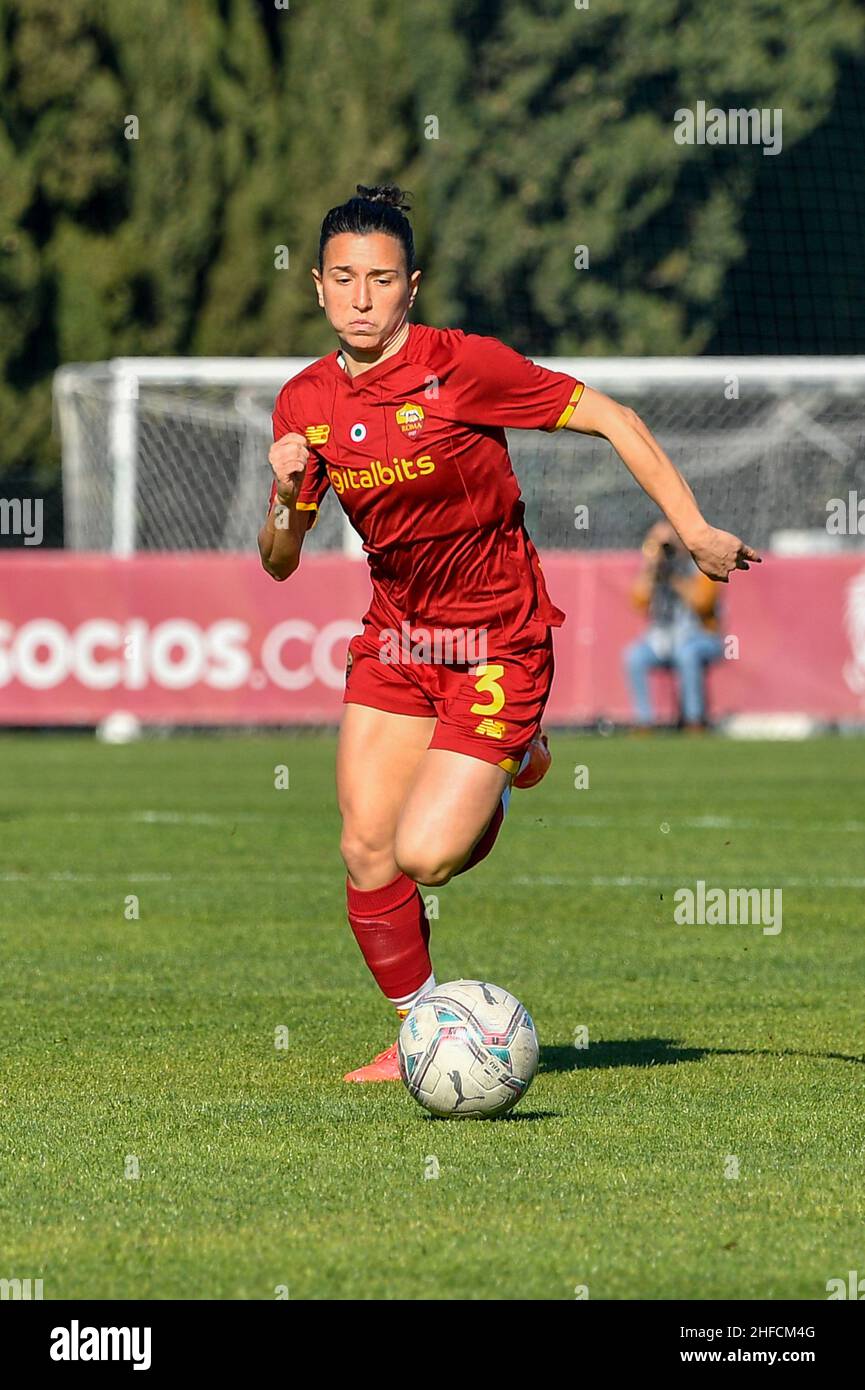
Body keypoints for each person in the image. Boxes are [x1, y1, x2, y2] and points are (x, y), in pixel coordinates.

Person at [257, 184, 760, 1082]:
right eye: (343, 280)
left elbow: (611, 416)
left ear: (412, 286)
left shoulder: (465, 367)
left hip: (496, 638)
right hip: (400, 640)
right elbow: (279, 560)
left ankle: (515, 750)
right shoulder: (303, 403)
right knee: (366, 849)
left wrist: (690, 529)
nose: (361, 299)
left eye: (380, 280)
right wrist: (291, 489)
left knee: (427, 857)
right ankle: (417, 1030)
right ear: (318, 287)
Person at [624, 521, 725, 729]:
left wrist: (675, 578)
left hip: (701, 636)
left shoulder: (699, 567)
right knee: (633, 656)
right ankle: (644, 721)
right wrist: (651, 569)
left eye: (668, 543)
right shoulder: (653, 572)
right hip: (663, 638)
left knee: (686, 654)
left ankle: (694, 721)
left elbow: (702, 603)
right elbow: (638, 601)